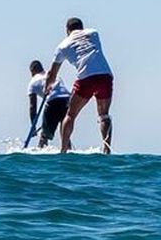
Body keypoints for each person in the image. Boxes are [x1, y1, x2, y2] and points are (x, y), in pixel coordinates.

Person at [45, 17, 114, 154]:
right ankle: (107, 149)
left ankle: (63, 150)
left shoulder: (62, 46)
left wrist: (48, 87)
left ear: (67, 30)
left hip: (86, 78)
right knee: (104, 115)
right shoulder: (93, 33)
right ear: (81, 27)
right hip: (104, 75)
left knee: (70, 115)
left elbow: (52, 74)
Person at [27, 60, 70, 148]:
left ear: (32, 71)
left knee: (44, 135)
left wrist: (33, 127)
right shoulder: (54, 75)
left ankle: (40, 156)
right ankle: (68, 152)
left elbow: (32, 107)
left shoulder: (32, 82)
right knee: (65, 131)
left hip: (53, 101)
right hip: (68, 100)